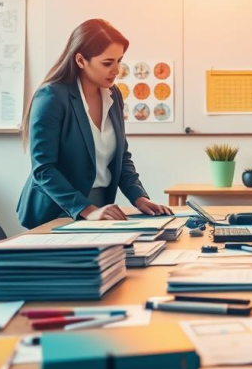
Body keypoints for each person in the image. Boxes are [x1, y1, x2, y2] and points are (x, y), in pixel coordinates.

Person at [17, 19, 171, 229]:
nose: (117, 70)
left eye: (119, 60)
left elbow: (121, 157)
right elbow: (43, 169)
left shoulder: (113, 95)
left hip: (100, 208)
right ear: (80, 60)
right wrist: (87, 210)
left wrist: (140, 198)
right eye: (108, 63)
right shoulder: (52, 96)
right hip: (56, 212)